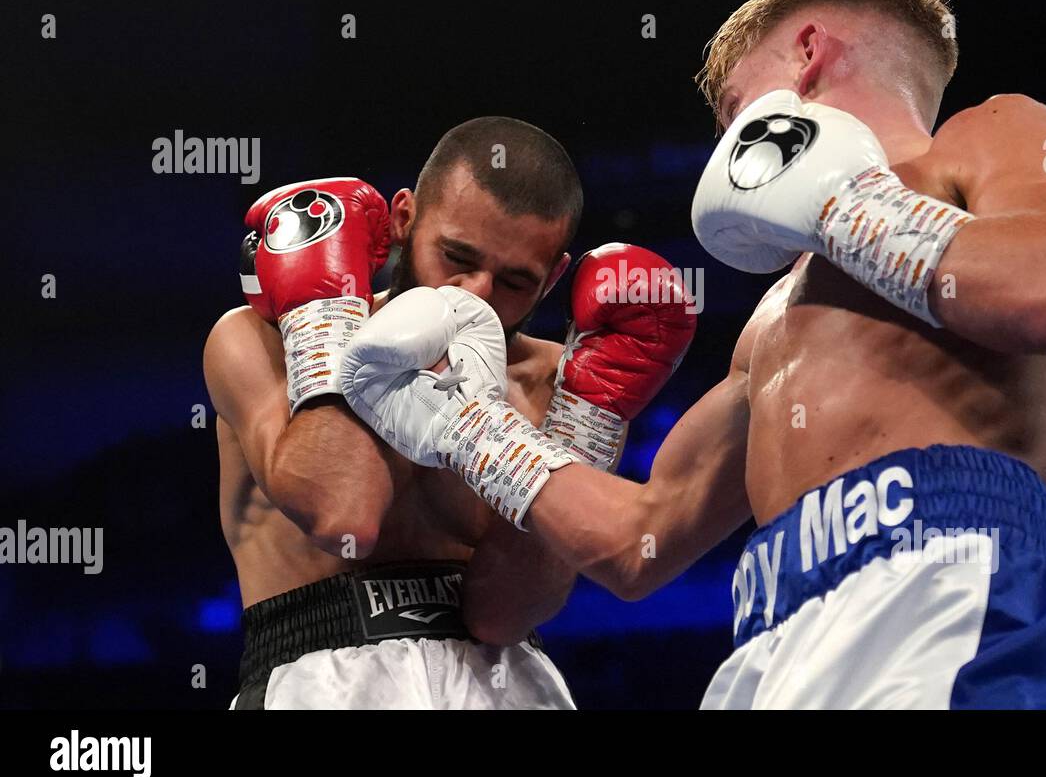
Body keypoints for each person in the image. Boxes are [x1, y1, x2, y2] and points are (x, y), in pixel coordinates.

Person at [341, 0, 1046, 709]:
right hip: (777, 639)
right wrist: (469, 429)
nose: (729, 151)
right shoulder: (773, 326)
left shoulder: (994, 134)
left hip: (950, 590)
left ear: (808, 56)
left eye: (737, 113)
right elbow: (637, 543)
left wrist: (843, 203)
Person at [203, 116, 694, 708]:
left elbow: (504, 614)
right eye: (457, 256)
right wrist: (328, 325)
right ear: (404, 220)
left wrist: (586, 420)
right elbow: (341, 513)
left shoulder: (561, 382)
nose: (476, 293)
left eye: (516, 280)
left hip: (501, 682)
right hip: (317, 676)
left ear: (554, 277)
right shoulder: (266, 340)